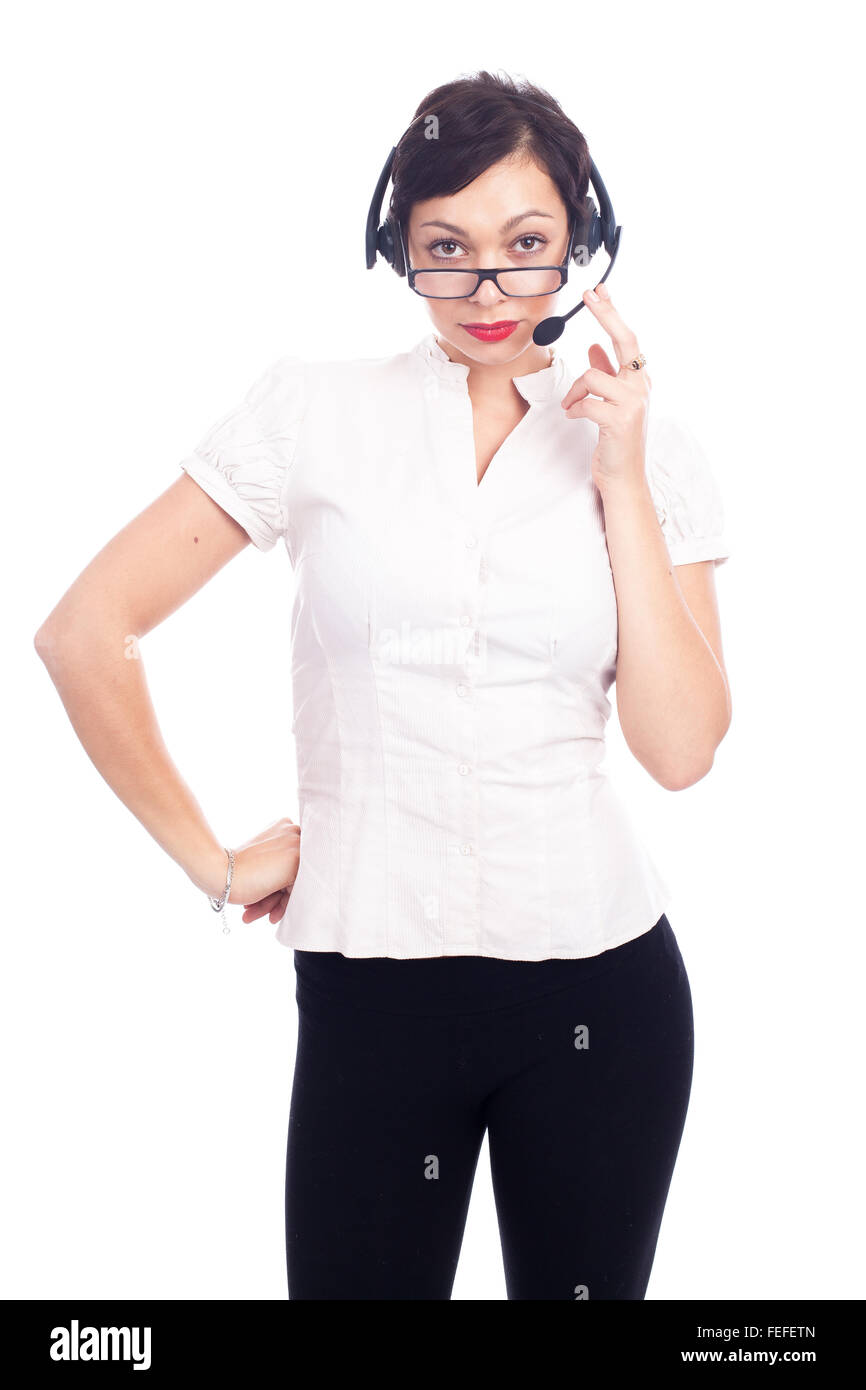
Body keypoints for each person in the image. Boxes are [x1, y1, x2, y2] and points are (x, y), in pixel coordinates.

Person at [34, 70, 731, 1300]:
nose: (487, 290)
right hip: (373, 995)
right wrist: (212, 863)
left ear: (579, 239)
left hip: (601, 991)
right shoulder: (312, 412)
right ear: (397, 245)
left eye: (525, 244)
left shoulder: (644, 446)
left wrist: (619, 476)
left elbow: (678, 751)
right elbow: (86, 631)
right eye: (444, 249)